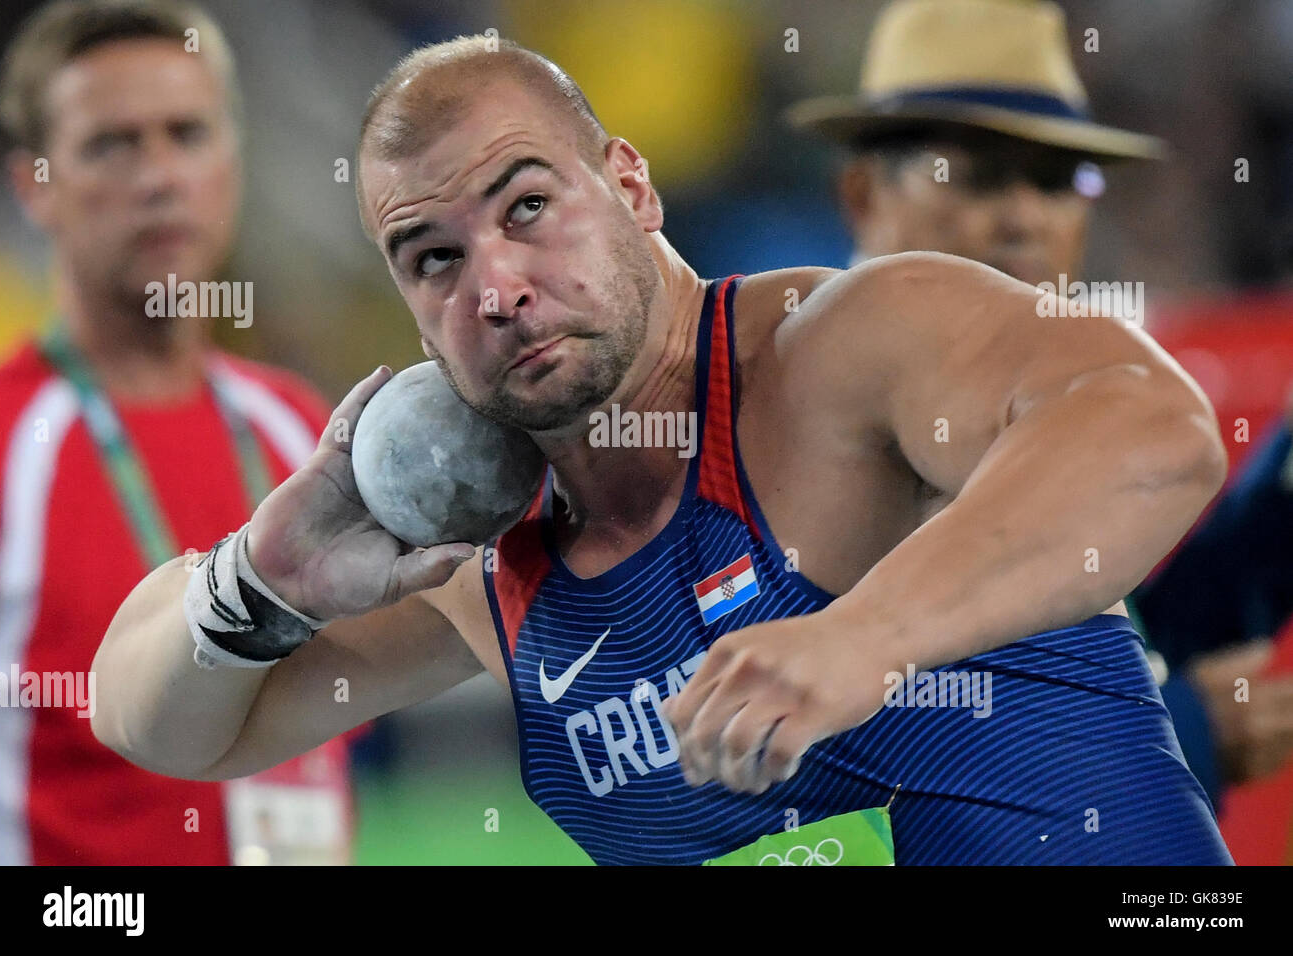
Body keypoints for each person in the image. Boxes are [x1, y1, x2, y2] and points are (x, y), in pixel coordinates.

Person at [94, 33, 1232, 865]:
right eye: (431, 258)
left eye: (527, 205)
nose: (497, 287)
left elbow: (1155, 427)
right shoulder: (483, 569)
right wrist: (256, 582)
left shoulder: (841, 348)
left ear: (630, 184)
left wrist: (866, 636)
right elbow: (165, 727)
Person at [787, 0, 1293, 812]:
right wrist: (1178, 739)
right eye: (981, 174)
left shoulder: (1043, 401)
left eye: (1059, 180)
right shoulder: (787, 409)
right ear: (862, 195)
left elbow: (1116, 639)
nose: (1024, 217)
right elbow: (793, 739)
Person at [0, 0, 355, 865]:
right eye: (113, 144)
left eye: (187, 134)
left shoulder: (306, 429)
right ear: (33, 184)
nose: (160, 176)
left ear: (231, 159)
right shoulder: (6, 446)